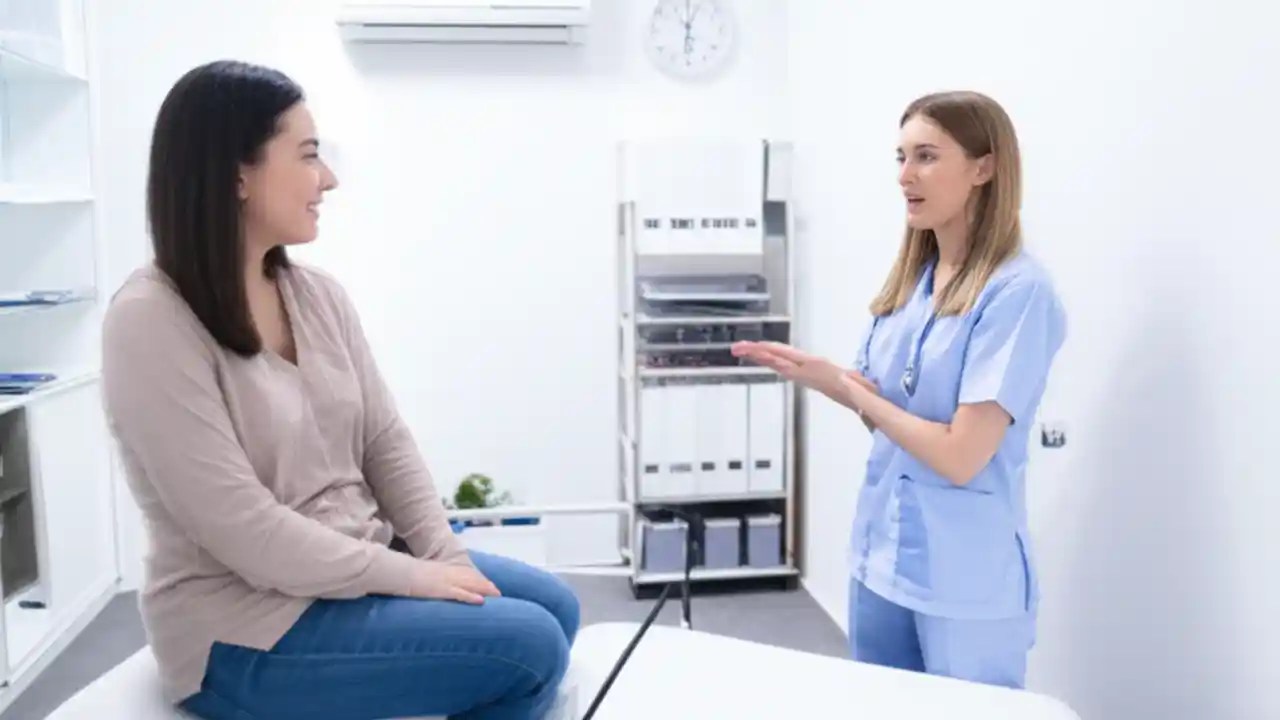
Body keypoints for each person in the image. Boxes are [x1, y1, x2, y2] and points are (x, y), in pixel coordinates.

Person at [101, 60, 579, 720]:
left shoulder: (317, 295)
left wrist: (445, 557)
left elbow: (385, 441)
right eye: (307, 155)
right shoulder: (150, 322)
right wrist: (416, 577)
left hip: (353, 564)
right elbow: (246, 531)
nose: (327, 179)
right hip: (244, 623)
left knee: (558, 607)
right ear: (237, 174)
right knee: (527, 648)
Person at [732, 90, 1066, 689]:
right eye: (900, 157)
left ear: (984, 168)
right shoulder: (914, 281)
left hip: (964, 578)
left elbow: (961, 455)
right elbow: (889, 414)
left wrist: (849, 389)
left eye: (927, 157)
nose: (905, 176)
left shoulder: (1018, 293)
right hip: (881, 551)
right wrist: (824, 377)